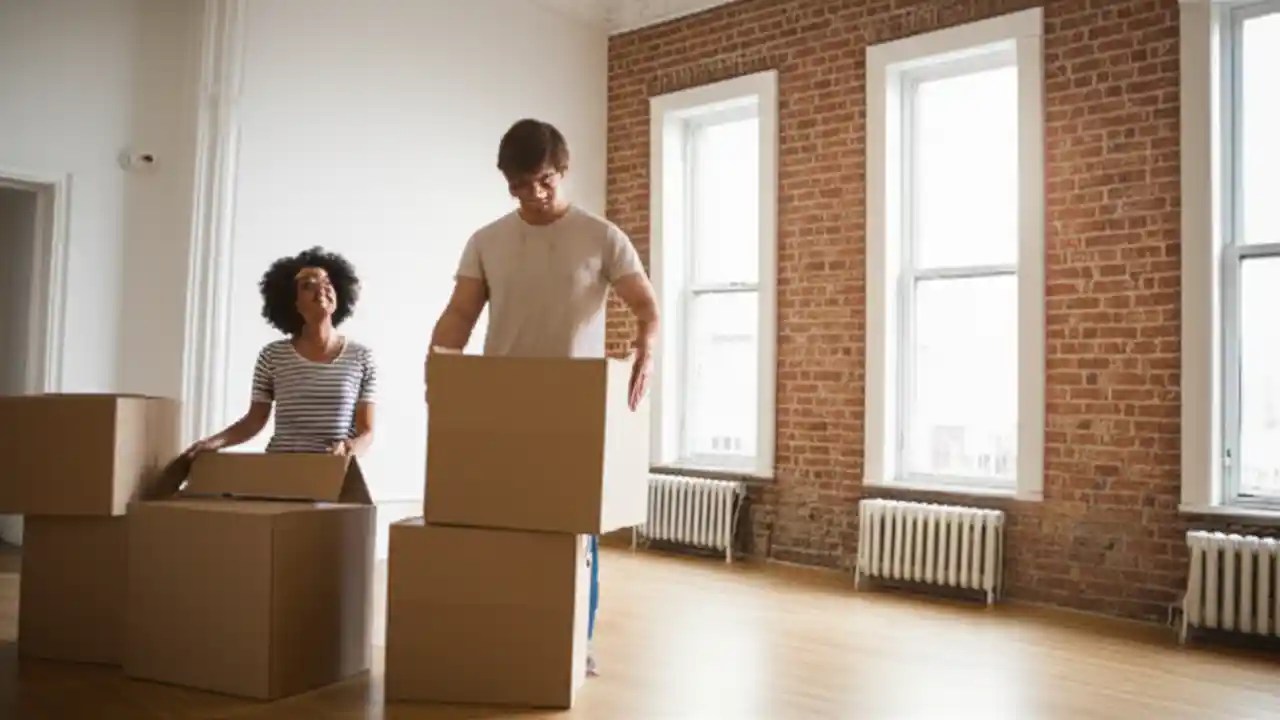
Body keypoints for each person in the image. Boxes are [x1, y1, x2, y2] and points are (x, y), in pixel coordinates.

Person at [427, 118, 659, 676]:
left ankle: (575, 641)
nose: (532, 195)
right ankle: (503, 629)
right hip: (500, 398)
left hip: (574, 404)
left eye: (543, 181)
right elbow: (461, 313)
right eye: (518, 186)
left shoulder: (602, 237)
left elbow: (646, 306)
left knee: (575, 527)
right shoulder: (487, 240)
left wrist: (646, 347)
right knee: (500, 518)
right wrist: (436, 362)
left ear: (563, 169)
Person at [184, 247, 378, 459]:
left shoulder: (361, 358)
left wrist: (349, 449)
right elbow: (254, 420)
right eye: (308, 286)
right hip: (281, 469)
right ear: (293, 301)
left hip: (335, 473)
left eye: (327, 282)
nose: (321, 289)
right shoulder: (272, 356)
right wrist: (214, 442)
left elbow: (366, 431)